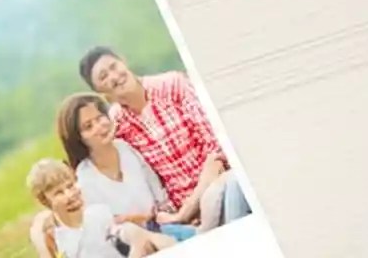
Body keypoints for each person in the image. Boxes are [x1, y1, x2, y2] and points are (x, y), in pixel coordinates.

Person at [78, 46, 252, 233]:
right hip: (178, 216)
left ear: (123, 61)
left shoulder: (172, 85)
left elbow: (216, 153)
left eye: (113, 66)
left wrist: (187, 210)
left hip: (218, 185)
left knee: (233, 187)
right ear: (100, 91)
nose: (113, 76)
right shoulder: (116, 125)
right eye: (103, 77)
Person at [56, 92, 196, 243]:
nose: (99, 127)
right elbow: (105, 227)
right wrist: (140, 219)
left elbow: (157, 192)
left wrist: (171, 217)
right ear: (78, 139)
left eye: (99, 117)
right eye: (88, 126)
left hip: (164, 226)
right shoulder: (85, 179)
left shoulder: (126, 148)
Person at [25, 158, 175, 258]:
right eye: (59, 192)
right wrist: (38, 237)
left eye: (70, 186)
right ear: (45, 201)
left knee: (143, 235)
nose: (69, 194)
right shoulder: (56, 236)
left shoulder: (98, 214)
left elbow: (123, 232)